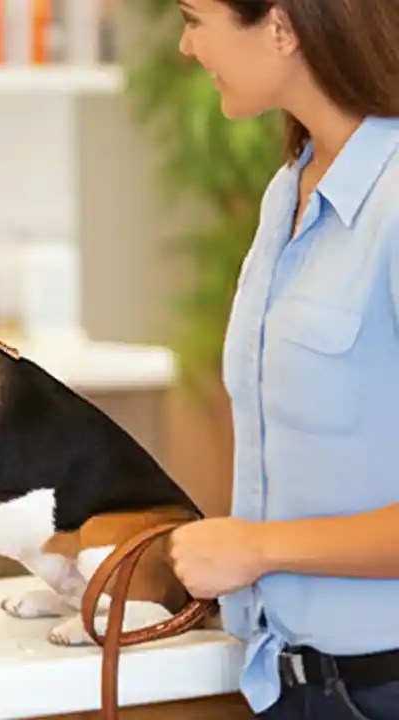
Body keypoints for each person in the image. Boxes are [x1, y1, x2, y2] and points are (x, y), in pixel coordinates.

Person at [163, 0, 399, 717]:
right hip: (291, 683)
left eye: (196, 17)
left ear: (282, 26)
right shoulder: (288, 192)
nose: (184, 45)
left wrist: (259, 548)